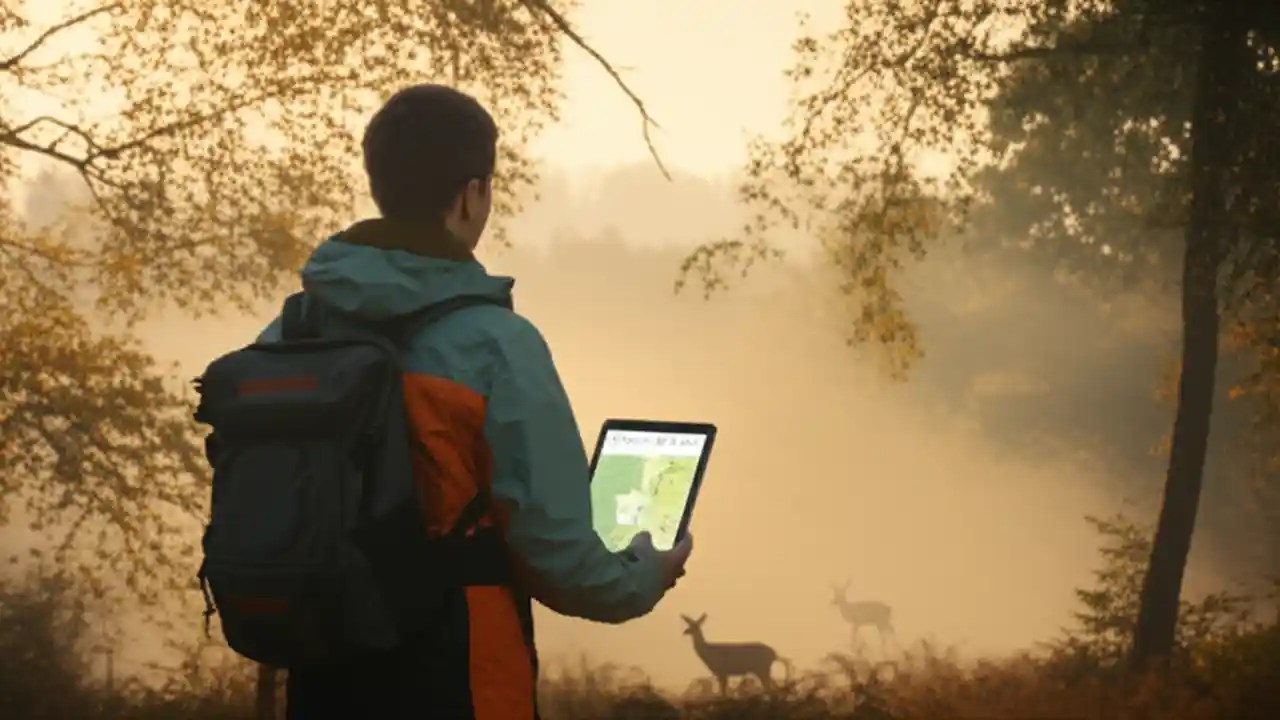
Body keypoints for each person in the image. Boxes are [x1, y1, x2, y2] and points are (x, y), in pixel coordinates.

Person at [258, 84, 693, 719]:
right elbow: (566, 563)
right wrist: (646, 572)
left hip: (323, 676)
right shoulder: (495, 345)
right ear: (472, 194)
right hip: (458, 679)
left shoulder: (293, 330)